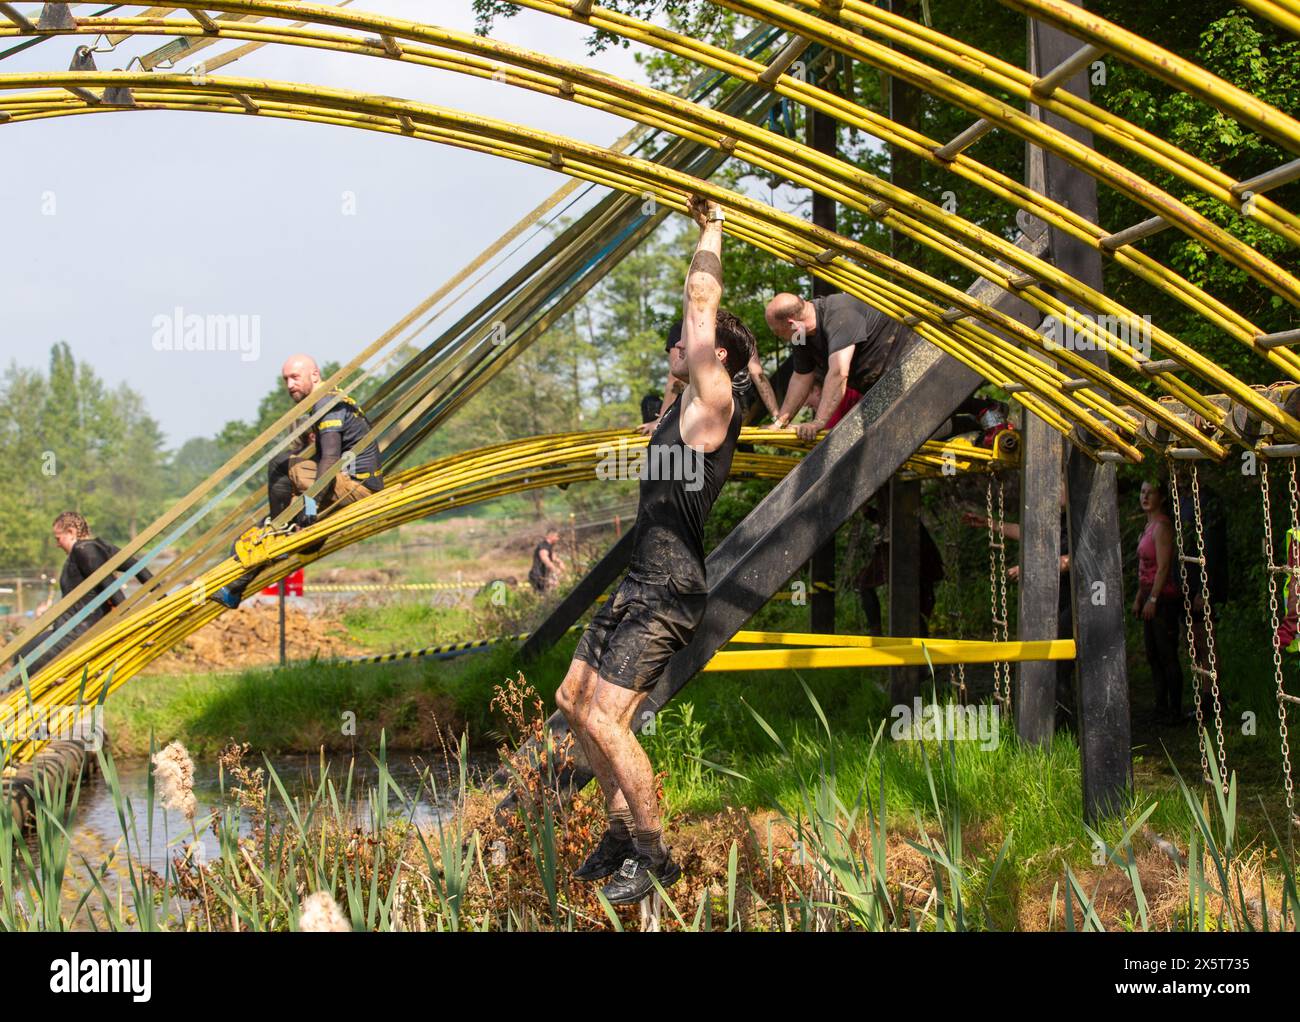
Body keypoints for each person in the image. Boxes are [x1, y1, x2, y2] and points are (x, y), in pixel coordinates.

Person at [555, 193, 750, 905]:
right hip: (644, 578)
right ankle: (617, 828)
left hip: (668, 587)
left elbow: (701, 298)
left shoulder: (714, 401)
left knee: (608, 716)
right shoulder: (675, 413)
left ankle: (653, 851)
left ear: (713, 357)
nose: (674, 348)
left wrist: (712, 227)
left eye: (684, 344)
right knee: (573, 699)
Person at [211, 354, 384, 609]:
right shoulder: (324, 403)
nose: (290, 385)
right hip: (344, 484)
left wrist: (310, 508)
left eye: (295, 377)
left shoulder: (328, 403)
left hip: (357, 487)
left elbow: (330, 461)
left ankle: (281, 528)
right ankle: (233, 589)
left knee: (280, 464)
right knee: (263, 529)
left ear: (315, 375)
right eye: (286, 379)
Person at [14, 512, 154, 677]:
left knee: (23, 661)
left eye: (58, 538)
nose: (57, 544)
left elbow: (111, 588)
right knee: (21, 653)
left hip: (75, 632)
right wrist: (161, 594)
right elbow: (139, 568)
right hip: (70, 628)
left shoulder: (82, 550)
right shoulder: (101, 547)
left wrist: (132, 623)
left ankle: (39, 692)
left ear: (71, 532)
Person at [763, 291, 910, 441]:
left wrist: (818, 422)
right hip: (878, 389)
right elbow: (801, 376)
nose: (779, 337)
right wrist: (780, 422)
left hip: (910, 369)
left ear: (791, 323)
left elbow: (839, 372)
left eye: (777, 332)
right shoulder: (800, 333)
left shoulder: (840, 313)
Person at [639, 319, 778, 435]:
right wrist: (777, 418)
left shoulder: (684, 327)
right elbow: (758, 374)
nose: (679, 344)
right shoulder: (733, 327)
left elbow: (675, 379)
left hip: (712, 406)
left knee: (650, 403)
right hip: (741, 405)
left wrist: (661, 420)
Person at [1134, 479, 1183, 725]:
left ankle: (1175, 709)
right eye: (1142, 492)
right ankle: (1160, 705)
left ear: (1161, 497)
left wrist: (1152, 599)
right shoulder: (1148, 525)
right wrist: (1139, 598)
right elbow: (1144, 566)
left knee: (1166, 653)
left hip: (1163, 598)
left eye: (1150, 493)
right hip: (1148, 595)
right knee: (1152, 653)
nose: (1145, 497)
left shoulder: (1162, 527)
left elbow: (1163, 567)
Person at [528, 528, 565, 593]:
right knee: (543, 597)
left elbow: (553, 557)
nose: (558, 539)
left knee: (551, 592)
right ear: (551, 536)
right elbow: (545, 559)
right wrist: (555, 570)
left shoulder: (548, 546)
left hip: (543, 576)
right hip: (538, 576)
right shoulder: (543, 546)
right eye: (557, 537)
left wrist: (560, 562)